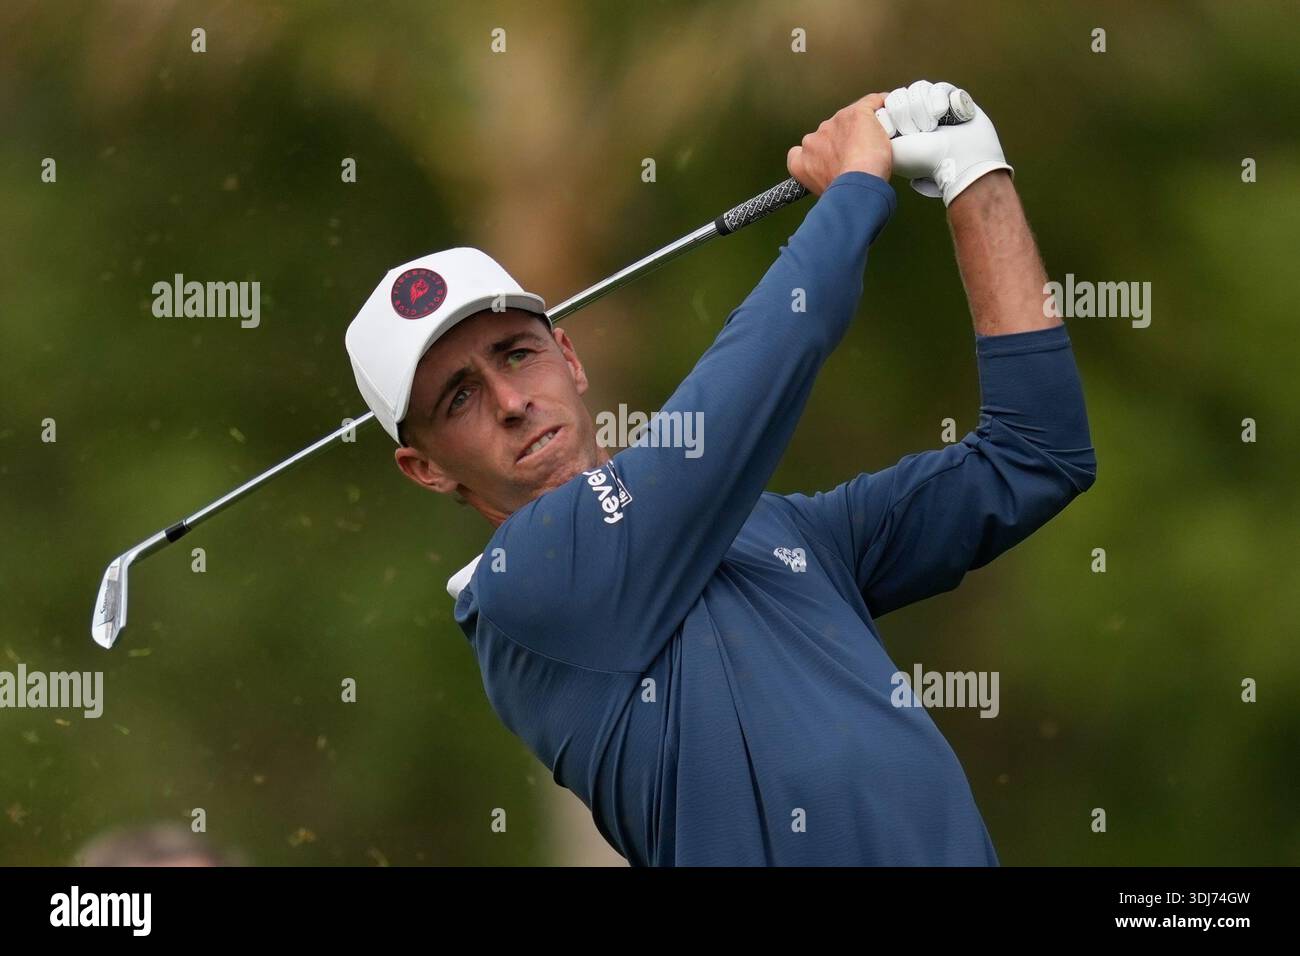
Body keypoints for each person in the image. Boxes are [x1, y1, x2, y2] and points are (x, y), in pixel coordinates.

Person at [345, 80, 1097, 865]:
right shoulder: (521, 594)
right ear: (424, 468)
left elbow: (1034, 454)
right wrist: (852, 191)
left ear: (568, 356)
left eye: (517, 354)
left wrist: (975, 176)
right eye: (459, 398)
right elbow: (739, 395)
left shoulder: (783, 533)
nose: (509, 402)